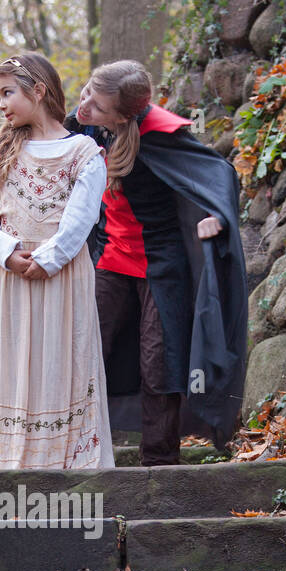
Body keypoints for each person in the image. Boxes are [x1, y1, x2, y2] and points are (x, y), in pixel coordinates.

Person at [68, 60, 248, 461]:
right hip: (108, 257)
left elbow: (219, 174)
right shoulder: (85, 125)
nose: (86, 107)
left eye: (97, 105)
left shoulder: (160, 134)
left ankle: (160, 465)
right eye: (87, 95)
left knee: (159, 365)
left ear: (123, 114)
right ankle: (75, 450)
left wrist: (216, 216)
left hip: (161, 267)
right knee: (83, 347)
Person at [0, 52, 114, 471]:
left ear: (39, 90)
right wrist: (7, 252)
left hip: (61, 276)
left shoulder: (84, 151)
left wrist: (48, 259)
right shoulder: (4, 147)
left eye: (7, 93)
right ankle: (15, 458)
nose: (1, 104)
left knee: (61, 357)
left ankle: (64, 458)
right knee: (15, 363)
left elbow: (81, 218)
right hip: (10, 276)